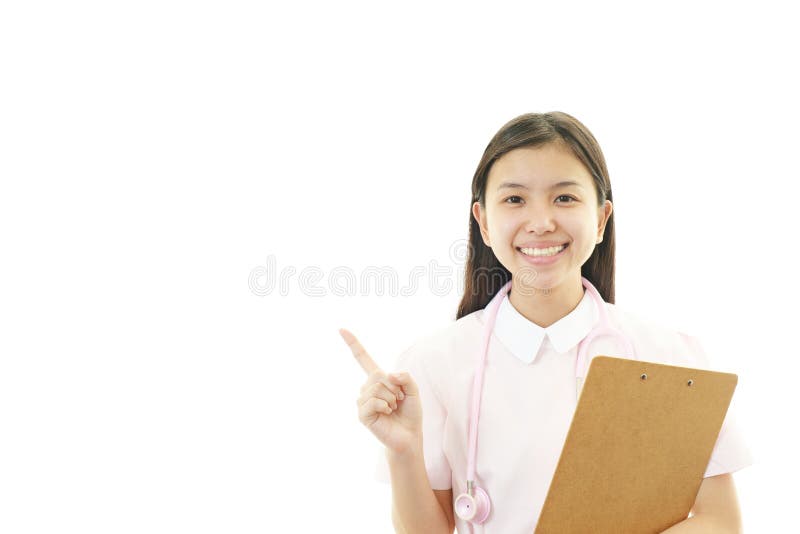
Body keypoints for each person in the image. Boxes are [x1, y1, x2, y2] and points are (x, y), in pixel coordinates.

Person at [340, 112, 752, 533]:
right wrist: (404, 453)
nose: (541, 223)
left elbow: (719, 520)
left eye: (565, 198)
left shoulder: (670, 356)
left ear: (601, 220)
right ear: (484, 223)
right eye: (515, 200)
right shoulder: (433, 363)